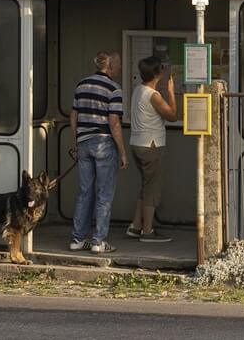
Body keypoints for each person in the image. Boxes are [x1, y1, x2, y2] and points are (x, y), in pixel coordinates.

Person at [69, 51, 127, 253]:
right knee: (104, 194)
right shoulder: (114, 88)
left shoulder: (81, 85)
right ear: (109, 67)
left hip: (83, 143)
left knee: (84, 192)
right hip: (104, 143)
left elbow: (73, 116)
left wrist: (76, 142)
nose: (119, 68)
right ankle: (98, 241)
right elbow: (114, 123)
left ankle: (77, 239)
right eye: (118, 65)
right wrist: (122, 151)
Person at [128, 56, 180, 243]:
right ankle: (148, 231)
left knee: (145, 185)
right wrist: (171, 92)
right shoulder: (153, 96)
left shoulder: (138, 90)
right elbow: (173, 116)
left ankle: (136, 225)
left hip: (136, 143)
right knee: (152, 189)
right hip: (151, 145)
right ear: (158, 74)